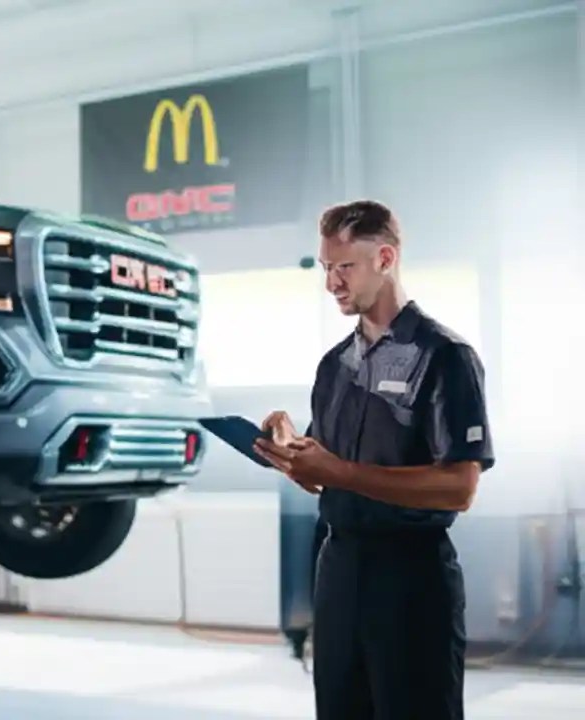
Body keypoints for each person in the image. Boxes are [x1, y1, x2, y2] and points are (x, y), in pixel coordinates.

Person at [254, 200, 494, 720]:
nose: (331, 283)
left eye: (345, 267)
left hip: (411, 576)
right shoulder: (334, 366)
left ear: (385, 258)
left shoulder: (445, 357)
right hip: (338, 570)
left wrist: (336, 472)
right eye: (325, 268)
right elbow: (322, 474)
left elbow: (459, 487)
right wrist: (288, 449)